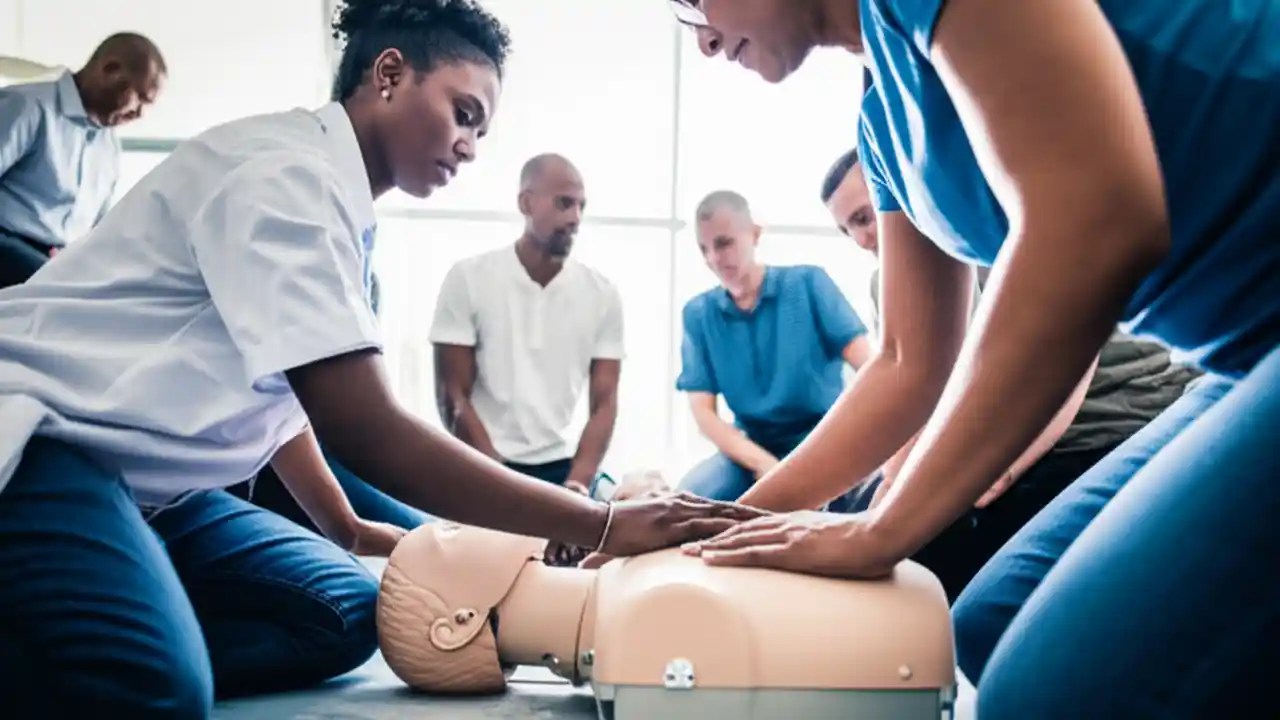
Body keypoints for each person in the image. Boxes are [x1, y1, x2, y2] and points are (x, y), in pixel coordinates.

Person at [0, 2, 757, 716]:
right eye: (464, 114)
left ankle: (108, 593)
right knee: (149, 687)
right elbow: (364, 426)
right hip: (45, 440)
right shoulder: (285, 178)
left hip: (155, 489)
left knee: (342, 613)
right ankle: (109, 630)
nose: (469, 144)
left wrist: (349, 528)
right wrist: (600, 524)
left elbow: (280, 399)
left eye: (482, 133)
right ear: (389, 74)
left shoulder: (339, 206)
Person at [669, 1, 1278, 716]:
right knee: (978, 629)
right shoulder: (883, 121)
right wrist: (716, 528)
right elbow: (908, 362)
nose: (703, 39)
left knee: (1041, 695)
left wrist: (881, 530)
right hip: (1239, 361)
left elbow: (1096, 220)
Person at [818, 144, 1202, 600]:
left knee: (942, 547)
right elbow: (914, 387)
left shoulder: (987, 231)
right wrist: (879, 492)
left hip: (1097, 418)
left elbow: (1059, 363)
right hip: (1012, 421)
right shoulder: (888, 284)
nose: (861, 237)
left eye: (865, 217)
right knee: (847, 509)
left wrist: (994, 468)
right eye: (848, 230)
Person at [430, 153, 625, 496]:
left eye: (582, 206)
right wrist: (501, 483)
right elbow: (452, 397)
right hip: (483, 463)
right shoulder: (468, 279)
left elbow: (605, 402)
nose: (575, 218)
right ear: (526, 202)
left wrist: (577, 485)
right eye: (564, 203)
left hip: (565, 468)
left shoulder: (603, 294)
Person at [676, 190, 873, 502]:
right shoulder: (698, 314)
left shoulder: (809, 283)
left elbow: (871, 369)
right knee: (689, 500)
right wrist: (764, 465)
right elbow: (704, 414)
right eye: (705, 248)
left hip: (826, 441)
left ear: (754, 234)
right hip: (752, 450)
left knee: (866, 499)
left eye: (724, 243)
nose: (714, 258)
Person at [0, 33, 166, 289]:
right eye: (138, 98)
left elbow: (98, 233)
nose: (140, 114)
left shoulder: (109, 149)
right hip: (9, 243)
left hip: (57, 260)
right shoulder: (29, 106)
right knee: (62, 293)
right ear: (109, 70)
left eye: (149, 105)